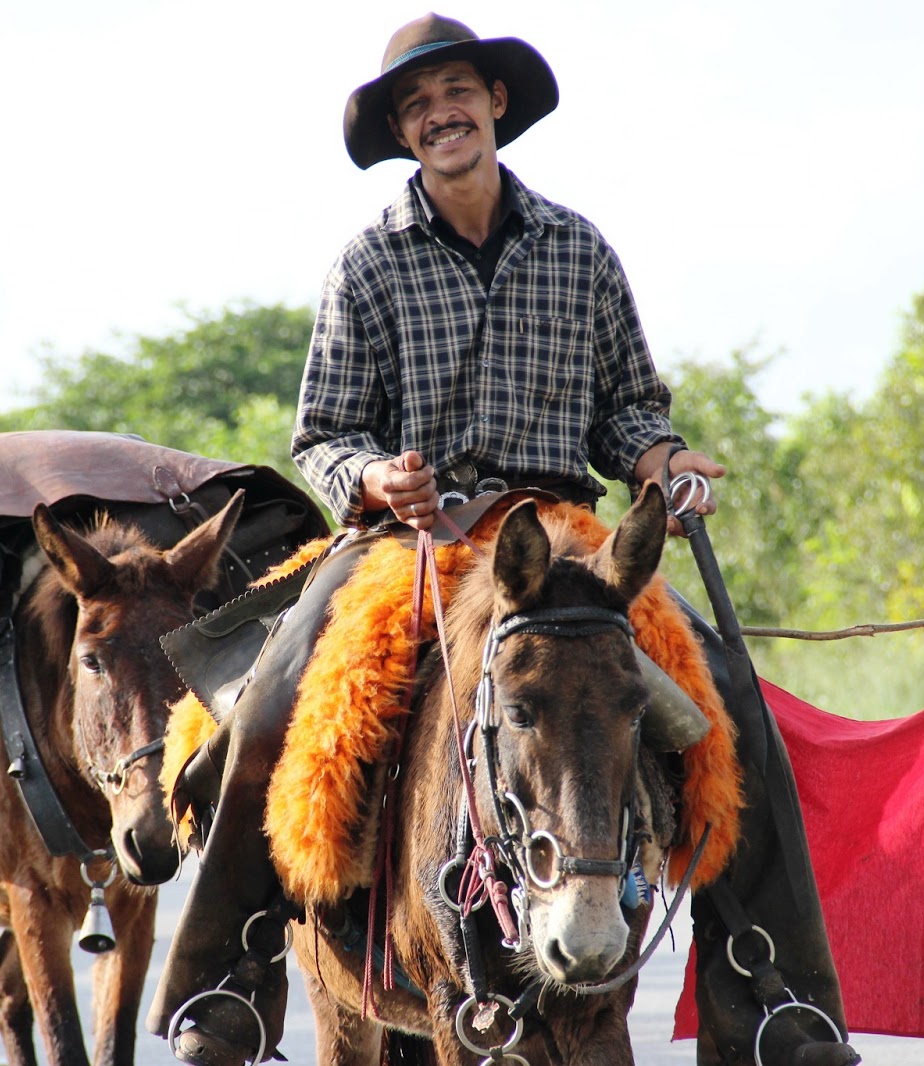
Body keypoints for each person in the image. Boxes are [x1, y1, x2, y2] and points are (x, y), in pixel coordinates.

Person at [148, 15, 859, 1066]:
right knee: (274, 698)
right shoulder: (369, 261)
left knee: (728, 703)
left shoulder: (578, 246)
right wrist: (372, 475)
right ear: (403, 131)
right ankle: (230, 978)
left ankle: (772, 993)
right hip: (413, 541)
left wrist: (659, 461)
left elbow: (628, 405)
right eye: (415, 104)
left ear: (493, 106)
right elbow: (323, 433)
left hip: (563, 539)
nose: (440, 113)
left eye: (456, 93)